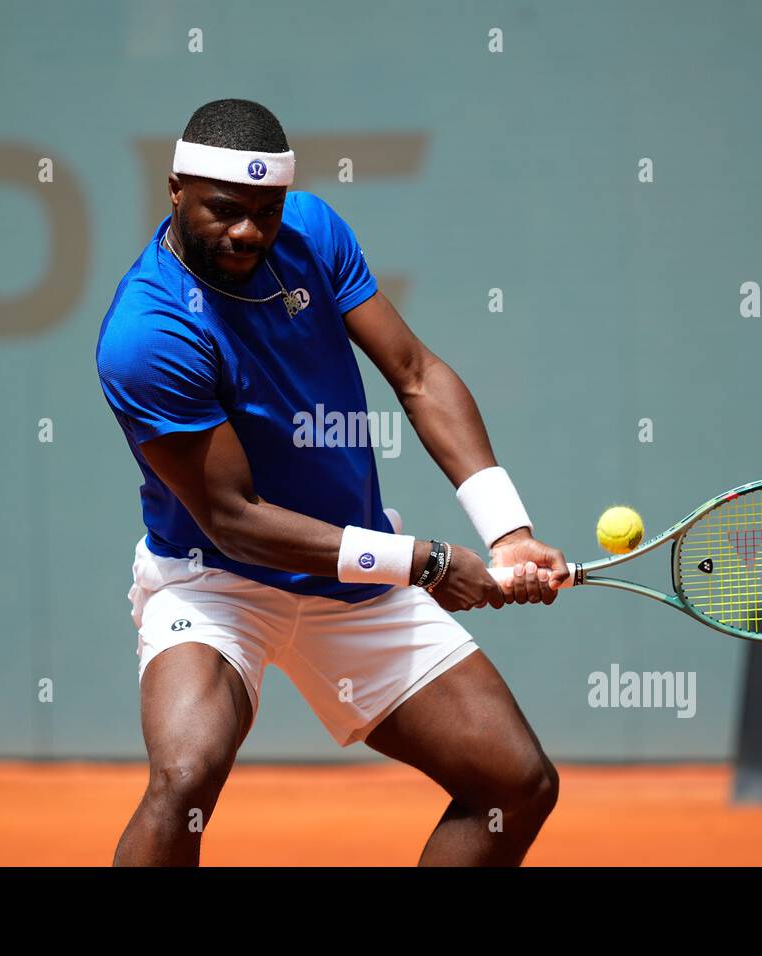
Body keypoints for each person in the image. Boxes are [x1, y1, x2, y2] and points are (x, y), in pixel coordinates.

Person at [96, 99, 570, 866]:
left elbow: (415, 373)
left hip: (354, 581)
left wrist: (506, 529)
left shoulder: (312, 232)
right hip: (216, 583)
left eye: (265, 210)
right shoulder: (147, 334)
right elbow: (234, 519)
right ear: (176, 187)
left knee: (515, 784)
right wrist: (427, 562)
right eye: (225, 210)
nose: (248, 231)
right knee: (183, 780)